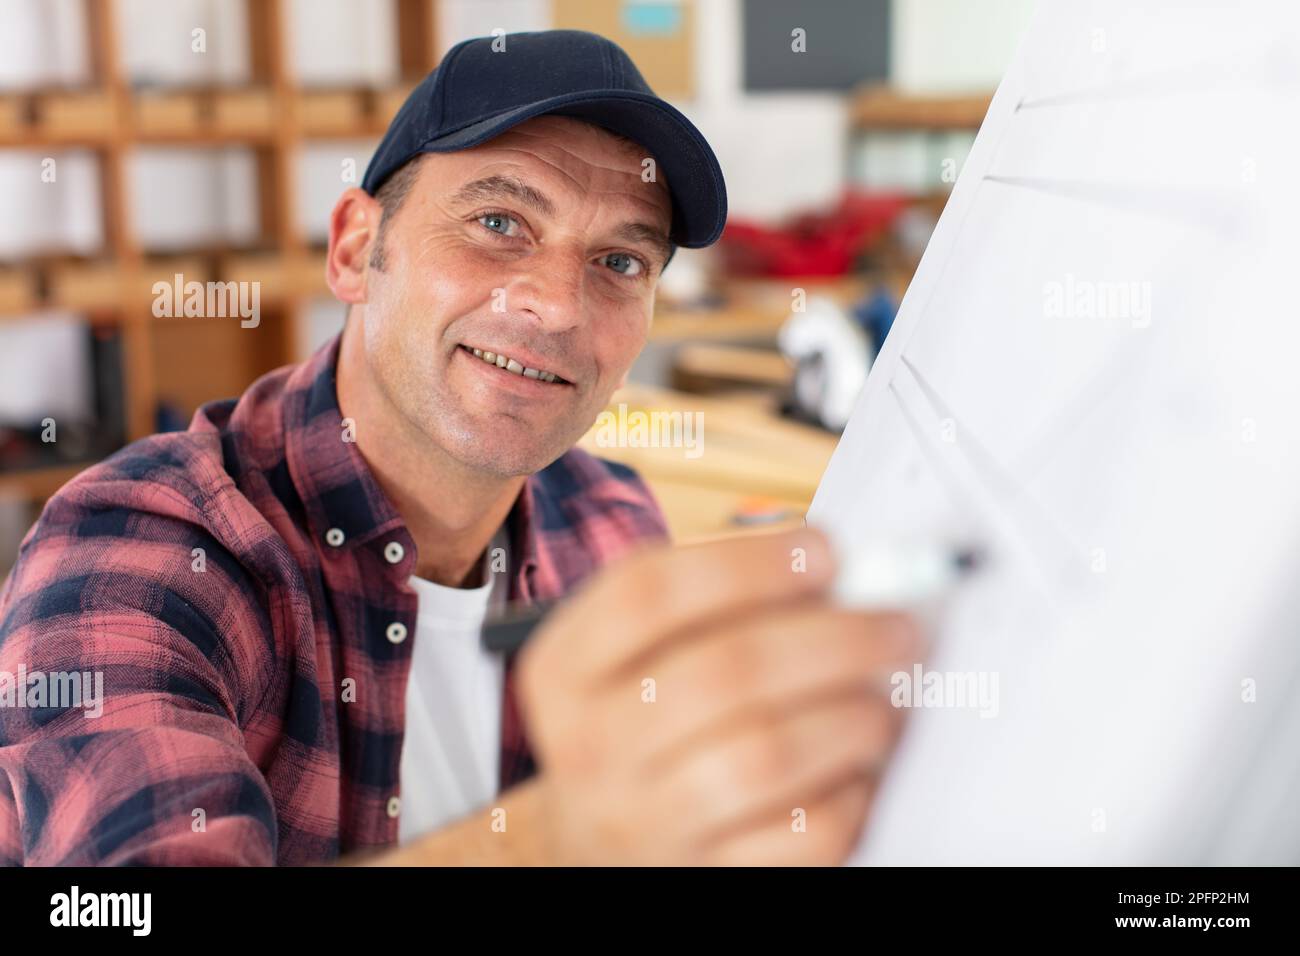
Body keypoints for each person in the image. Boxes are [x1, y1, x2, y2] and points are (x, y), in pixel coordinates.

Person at [0, 30, 920, 866]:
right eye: (498, 223)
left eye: (620, 262)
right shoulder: (141, 552)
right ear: (359, 248)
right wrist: (564, 837)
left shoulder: (611, 528)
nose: (556, 304)